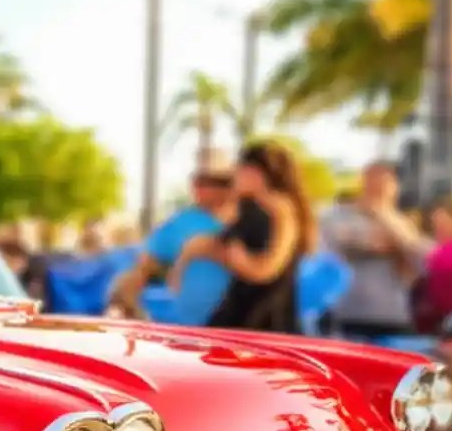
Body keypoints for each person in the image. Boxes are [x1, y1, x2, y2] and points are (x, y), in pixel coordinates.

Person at [174, 142, 315, 332]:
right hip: (252, 315)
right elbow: (210, 245)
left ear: (256, 173)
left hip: (261, 318)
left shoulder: (277, 209)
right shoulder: (253, 208)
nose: (235, 175)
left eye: (240, 168)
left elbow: (269, 266)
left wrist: (244, 263)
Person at [110, 149, 236, 324]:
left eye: (218, 182)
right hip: (192, 334)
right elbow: (141, 270)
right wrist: (129, 307)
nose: (203, 188)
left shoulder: (252, 220)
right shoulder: (180, 223)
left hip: (242, 330)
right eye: (200, 180)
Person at [322, 162, 428, 339]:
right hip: (350, 316)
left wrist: (382, 213)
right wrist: (399, 242)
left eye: (385, 181)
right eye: (372, 179)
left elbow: (418, 255)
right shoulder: (339, 216)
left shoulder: (403, 221)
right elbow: (356, 242)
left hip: (395, 316)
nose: (377, 187)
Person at [414, 199, 452, 335]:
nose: (439, 227)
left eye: (444, 222)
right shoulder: (429, 249)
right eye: (435, 223)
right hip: (429, 323)